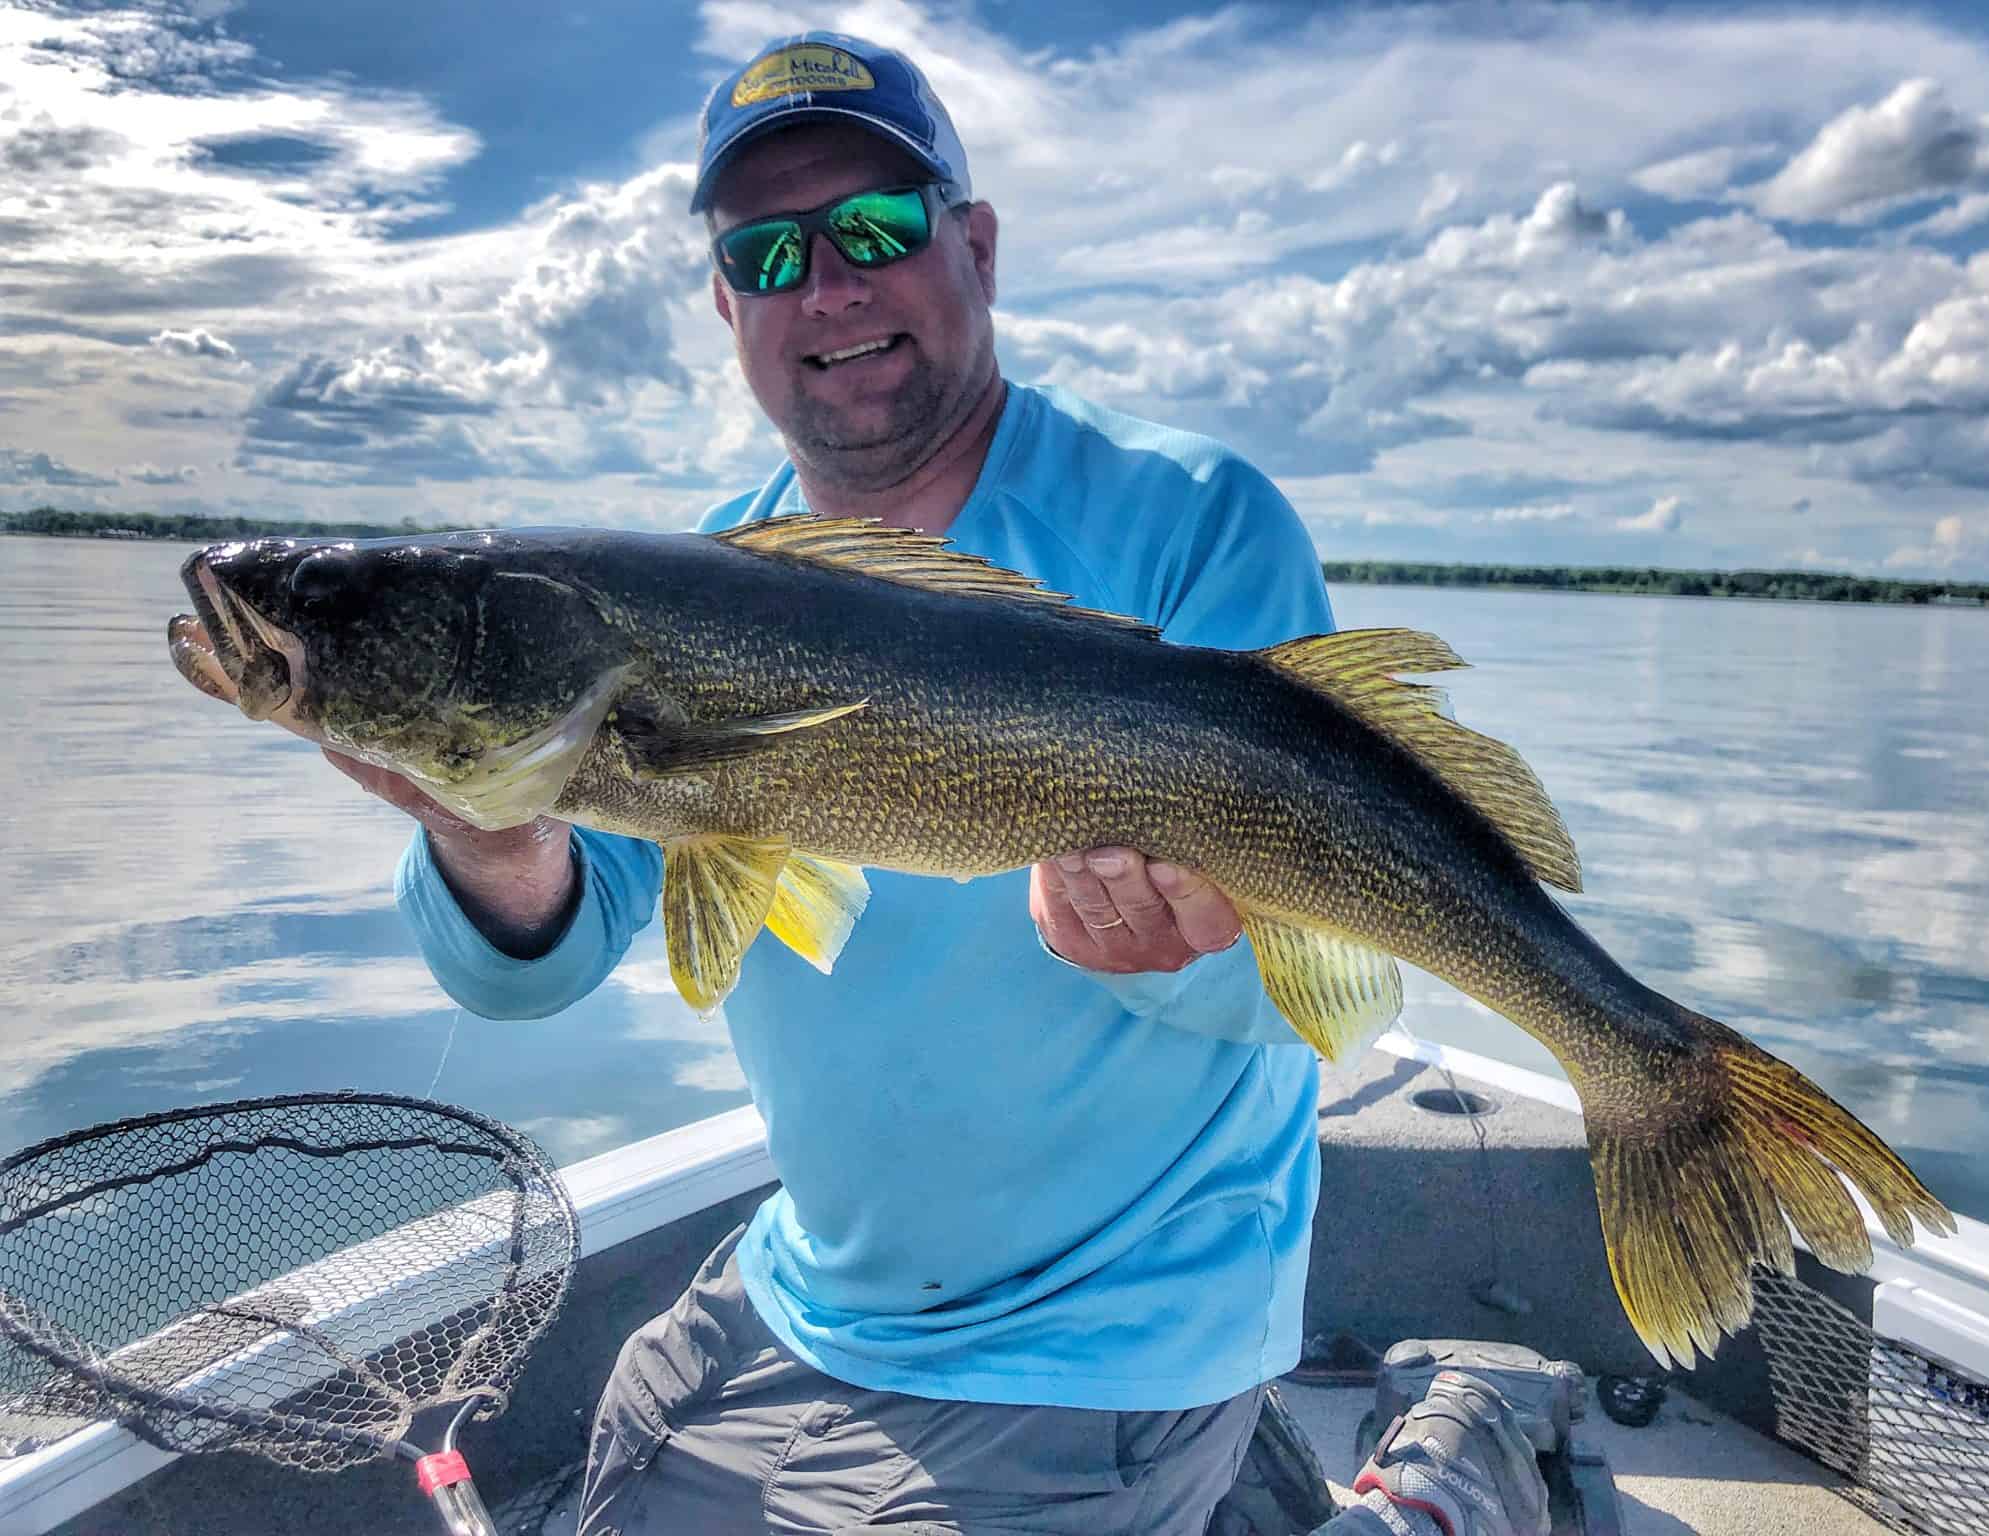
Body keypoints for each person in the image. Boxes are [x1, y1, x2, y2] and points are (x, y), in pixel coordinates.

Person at [332, 29, 1543, 1536]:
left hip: (1106, 1327)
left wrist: (1176, 952)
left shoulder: (1189, 520)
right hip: (812, 1285)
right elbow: (546, 958)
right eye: (768, 254)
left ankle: (1446, 1487)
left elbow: (1328, 970)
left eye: (878, 230)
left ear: (975, 245)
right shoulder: (701, 578)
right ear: (726, 303)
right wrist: (486, 845)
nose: (827, 285)